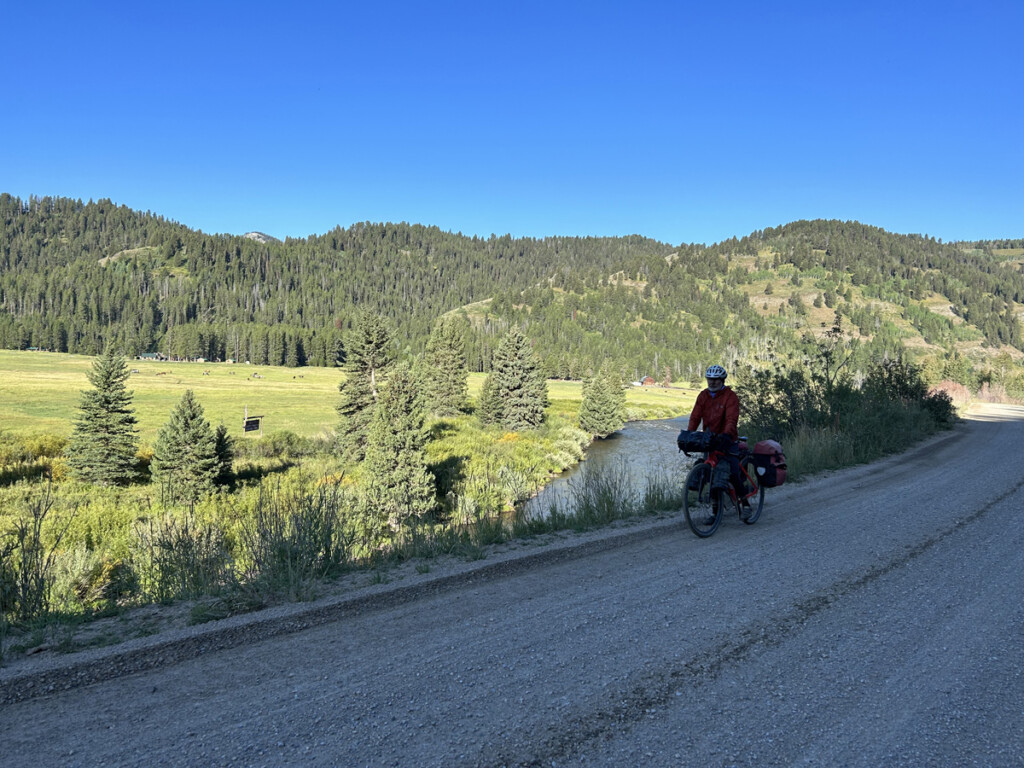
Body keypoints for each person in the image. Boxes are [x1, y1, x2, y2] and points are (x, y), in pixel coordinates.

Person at [687, 365, 746, 506]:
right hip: (709, 439)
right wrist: (689, 434)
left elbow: (732, 419)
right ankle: (715, 508)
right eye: (709, 379)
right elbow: (695, 417)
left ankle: (745, 504)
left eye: (716, 380)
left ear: (722, 380)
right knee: (709, 470)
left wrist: (726, 434)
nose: (712, 382)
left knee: (733, 473)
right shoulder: (703, 395)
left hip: (727, 439)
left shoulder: (730, 396)